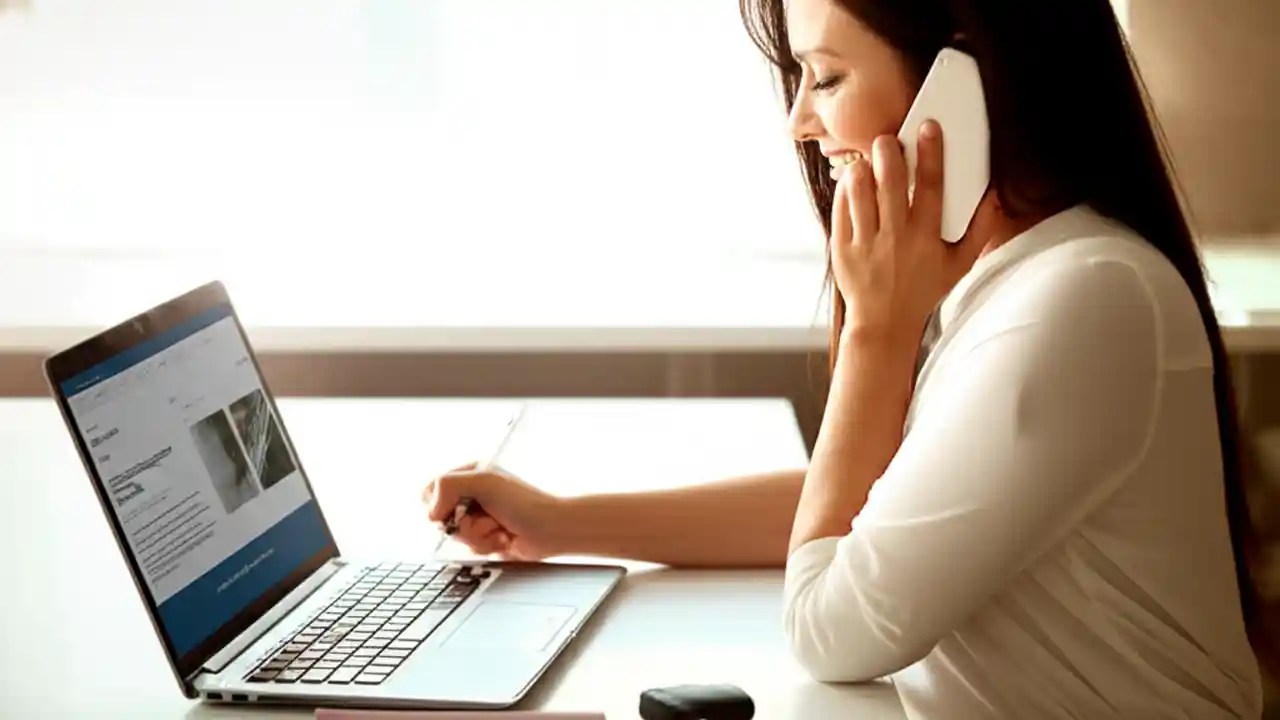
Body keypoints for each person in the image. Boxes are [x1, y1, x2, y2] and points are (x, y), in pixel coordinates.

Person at [422, 1, 1270, 716]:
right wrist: (563, 521)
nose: (800, 120)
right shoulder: (1020, 281)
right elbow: (879, 517)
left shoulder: (1081, 299)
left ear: (966, 85)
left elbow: (831, 625)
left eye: (824, 77)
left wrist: (875, 328)